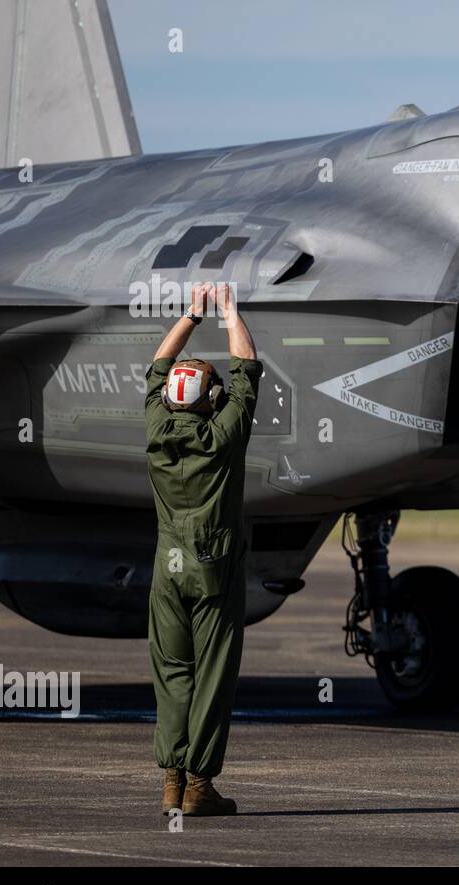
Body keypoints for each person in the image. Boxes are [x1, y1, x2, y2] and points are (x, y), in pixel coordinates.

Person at [143, 281, 261, 816]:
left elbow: (157, 366)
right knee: (213, 674)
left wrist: (192, 314)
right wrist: (230, 312)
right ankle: (198, 787)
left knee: (173, 672)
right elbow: (247, 370)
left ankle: (171, 781)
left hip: (167, 571)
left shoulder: (155, 428)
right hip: (214, 569)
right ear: (208, 400)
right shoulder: (224, 438)